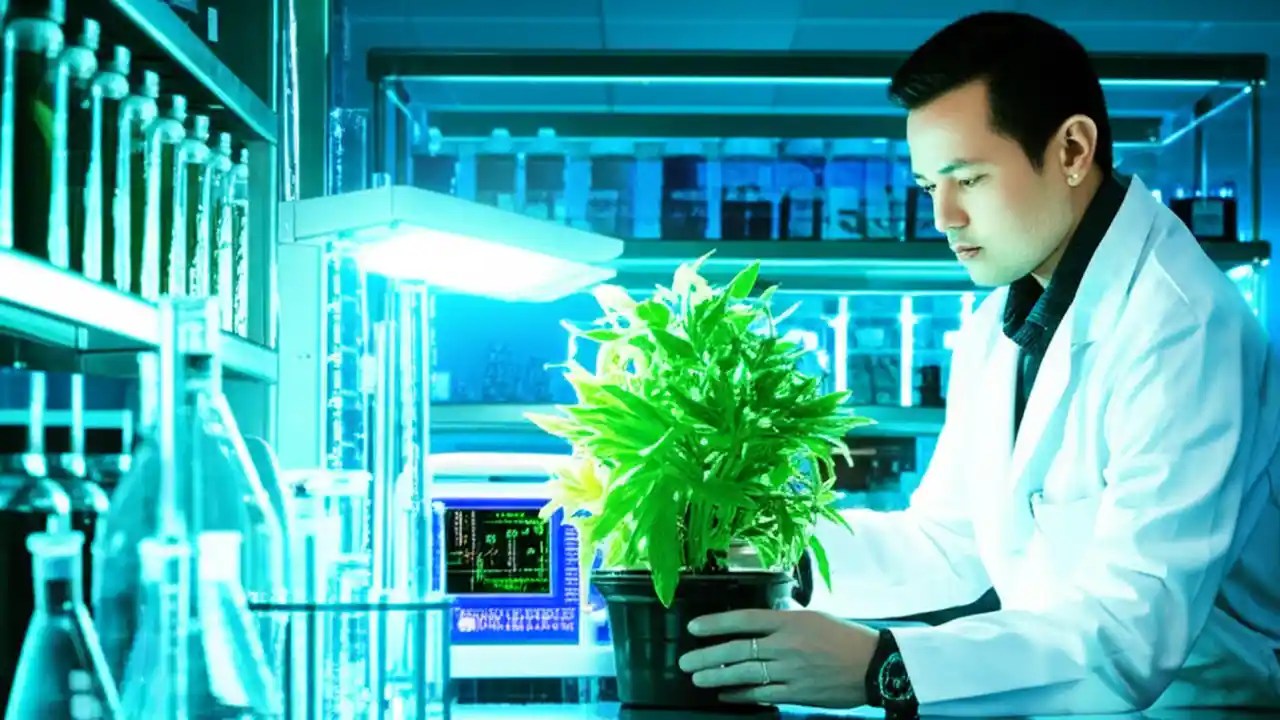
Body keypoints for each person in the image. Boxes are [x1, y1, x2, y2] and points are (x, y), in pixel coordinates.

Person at [677, 11, 1280, 717]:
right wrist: (782, 556)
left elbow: (1128, 634)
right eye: (929, 185)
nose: (943, 217)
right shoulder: (1008, 312)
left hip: (1195, 709)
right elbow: (951, 539)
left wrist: (883, 670)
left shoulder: (1182, 325)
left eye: (967, 178)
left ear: (1073, 149)